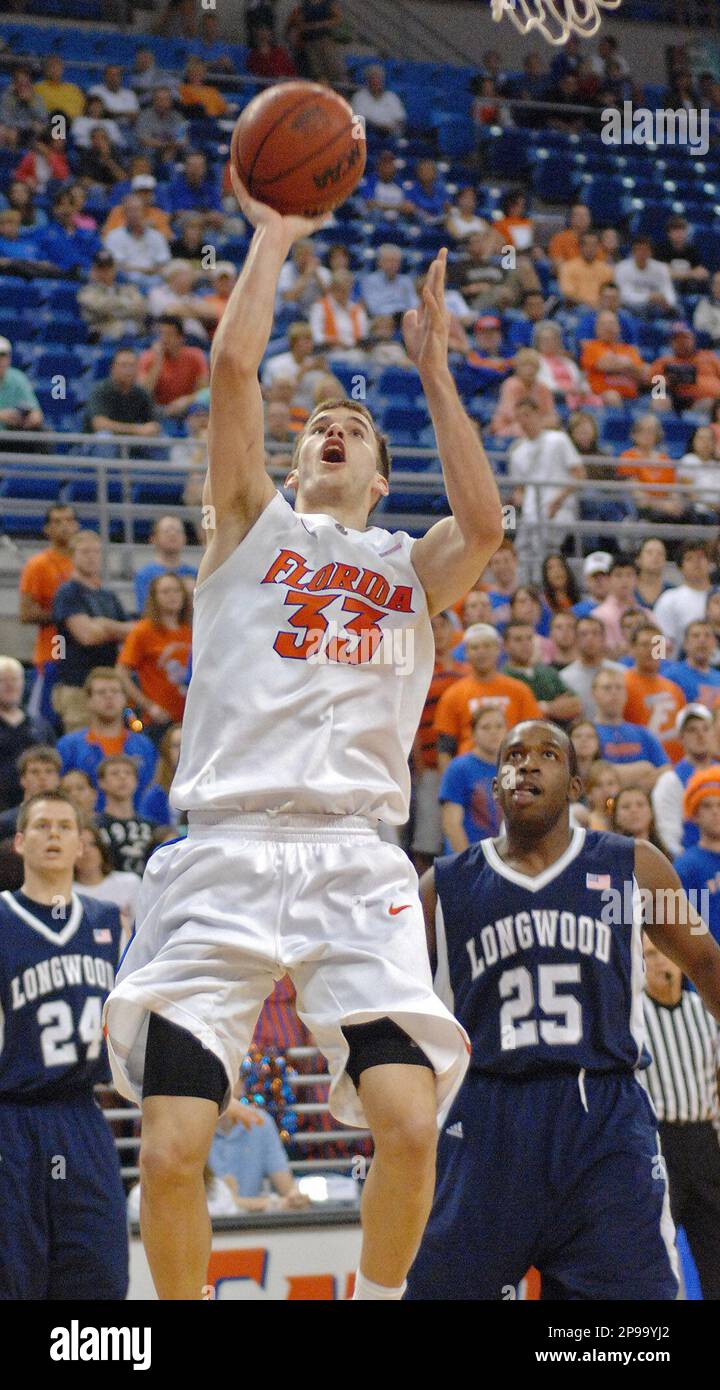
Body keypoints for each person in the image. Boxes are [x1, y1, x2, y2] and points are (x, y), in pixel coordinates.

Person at [103, 163, 505, 1304]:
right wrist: (274, 233)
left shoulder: (407, 569)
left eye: (353, 430)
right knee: (173, 1149)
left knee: (411, 1126)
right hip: (224, 852)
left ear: (380, 478)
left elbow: (483, 521)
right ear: (295, 461)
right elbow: (236, 366)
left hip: (353, 860)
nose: (332, 429)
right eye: (318, 424)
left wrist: (431, 372)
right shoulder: (248, 529)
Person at [406, 718, 720, 1301]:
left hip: (602, 1117)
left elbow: (705, 962)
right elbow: (393, 1007)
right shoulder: (441, 886)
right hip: (483, 1119)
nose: (526, 764)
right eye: (513, 756)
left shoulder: (634, 865)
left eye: (547, 754)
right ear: (495, 786)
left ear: (575, 786)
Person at [0, 789, 128, 1299]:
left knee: (99, 1273)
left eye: (64, 827)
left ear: (82, 846)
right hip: (11, 1119)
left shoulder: (105, 922)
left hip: (81, 1114)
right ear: (18, 842)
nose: (52, 834)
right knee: (15, 1277)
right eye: (41, 826)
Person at [643, 939, 720, 1302]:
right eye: (649, 955)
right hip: (660, 1145)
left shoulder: (703, 1011)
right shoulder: (634, 1017)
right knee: (660, 1263)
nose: (661, 963)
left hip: (705, 1142)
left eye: (665, 954)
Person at [51, 534, 133, 730]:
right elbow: (87, 636)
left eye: (96, 551)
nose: (92, 556)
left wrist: (103, 624)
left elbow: (134, 631)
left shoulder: (108, 595)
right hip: (78, 687)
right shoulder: (67, 593)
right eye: (85, 552)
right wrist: (114, 630)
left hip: (109, 685)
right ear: (72, 556)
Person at [434, 623, 541, 771]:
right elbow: (445, 747)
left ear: (498, 649)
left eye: (487, 646)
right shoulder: (453, 694)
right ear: (466, 653)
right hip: (468, 773)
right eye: (475, 647)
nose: (481, 652)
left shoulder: (519, 690)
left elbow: (533, 736)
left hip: (512, 770)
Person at [56, 667, 158, 803]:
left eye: (115, 692)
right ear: (88, 700)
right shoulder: (69, 746)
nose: (109, 697)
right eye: (101, 692)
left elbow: (152, 789)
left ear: (125, 699)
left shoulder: (144, 746)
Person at [507, 398, 585, 568]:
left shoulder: (558, 439)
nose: (523, 420)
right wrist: (518, 501)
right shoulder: (517, 451)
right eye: (519, 416)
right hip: (531, 513)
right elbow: (519, 490)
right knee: (521, 548)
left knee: (542, 544)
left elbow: (579, 474)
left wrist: (558, 500)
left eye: (527, 415)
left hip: (559, 509)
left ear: (538, 415)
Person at [118, 573, 192, 734]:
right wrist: (148, 706)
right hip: (157, 720)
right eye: (166, 592)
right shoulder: (142, 631)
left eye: (177, 591)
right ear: (154, 597)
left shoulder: (191, 630)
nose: (172, 596)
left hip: (189, 718)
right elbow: (122, 672)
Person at [210, 1097, 308, 1207]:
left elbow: (286, 1186)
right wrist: (275, 1203)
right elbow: (219, 1204)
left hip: (251, 1221)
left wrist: (294, 1197)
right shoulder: (193, 1124)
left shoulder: (260, 1121)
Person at [652, 705, 717, 859]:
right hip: (694, 863)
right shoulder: (670, 782)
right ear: (681, 738)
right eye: (692, 730)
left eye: (705, 728)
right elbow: (669, 837)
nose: (700, 735)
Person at [438, 703, 504, 852]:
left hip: (504, 859)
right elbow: (451, 824)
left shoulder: (512, 768)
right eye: (486, 727)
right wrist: (468, 864)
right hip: (469, 856)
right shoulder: (459, 768)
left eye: (499, 726)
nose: (494, 732)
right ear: (473, 734)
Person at [592, 666, 669, 790]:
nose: (614, 692)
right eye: (607, 688)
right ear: (594, 694)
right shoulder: (587, 733)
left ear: (626, 694)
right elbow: (591, 775)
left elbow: (666, 770)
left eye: (619, 688)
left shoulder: (642, 733)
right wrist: (644, 768)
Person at [623, 622, 686, 763]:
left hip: (675, 765)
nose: (651, 650)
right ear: (632, 649)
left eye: (656, 644)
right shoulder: (622, 685)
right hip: (643, 766)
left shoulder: (674, 689)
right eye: (645, 645)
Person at [0, 657, 55, 812]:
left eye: (14, 679)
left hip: (36, 805)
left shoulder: (41, 726)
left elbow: (53, 763)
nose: (9, 685)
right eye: (3, 680)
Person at [502, 620, 582, 725]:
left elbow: (575, 705)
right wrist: (554, 706)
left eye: (529, 638)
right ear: (506, 645)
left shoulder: (548, 672)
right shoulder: (503, 677)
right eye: (518, 640)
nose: (525, 644)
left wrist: (546, 707)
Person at [675, 768, 720, 947]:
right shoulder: (685, 867)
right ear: (695, 814)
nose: (715, 812)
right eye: (707, 806)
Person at [74, 821, 140, 942]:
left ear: (101, 848)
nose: (87, 851)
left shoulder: (130, 882)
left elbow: (143, 927)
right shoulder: (65, 892)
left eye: (92, 844)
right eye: (80, 846)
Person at [96, 755, 160, 877]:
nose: (122, 777)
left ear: (136, 781)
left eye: (128, 773)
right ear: (102, 782)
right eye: (115, 773)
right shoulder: (94, 828)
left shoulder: (153, 828)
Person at [137, 316, 209, 418]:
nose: (164, 339)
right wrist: (157, 362)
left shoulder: (196, 356)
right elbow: (143, 393)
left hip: (187, 408)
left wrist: (185, 401)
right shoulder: (147, 357)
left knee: (202, 407)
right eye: (161, 334)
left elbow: (204, 391)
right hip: (157, 410)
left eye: (169, 335)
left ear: (181, 338)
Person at [654, 540, 714, 660]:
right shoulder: (670, 599)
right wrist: (659, 667)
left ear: (710, 564)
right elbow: (659, 638)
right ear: (680, 568)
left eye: (701, 557)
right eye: (689, 558)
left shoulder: (717, 596)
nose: (696, 562)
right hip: (681, 668)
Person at [84, 349, 159, 438]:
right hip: (101, 442)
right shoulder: (100, 391)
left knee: (159, 439)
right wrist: (137, 429)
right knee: (104, 437)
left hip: (133, 441)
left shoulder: (141, 393)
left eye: (132, 365)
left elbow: (153, 424)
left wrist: (152, 428)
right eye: (124, 365)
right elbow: (99, 424)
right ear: (113, 368)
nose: (128, 370)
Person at [560, 615, 624, 719]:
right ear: (575, 639)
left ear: (603, 638)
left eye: (595, 633)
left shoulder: (621, 672)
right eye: (584, 634)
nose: (590, 638)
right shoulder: (564, 678)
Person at [77, 248, 147, 342]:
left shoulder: (128, 289)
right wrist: (125, 304)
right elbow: (101, 307)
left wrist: (113, 310)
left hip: (136, 335)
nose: (105, 272)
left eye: (108, 268)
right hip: (105, 337)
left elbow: (141, 307)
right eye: (101, 268)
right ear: (94, 270)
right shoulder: (86, 292)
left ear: (114, 269)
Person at [134, 514, 197, 614]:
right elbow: (146, 611)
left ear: (185, 538)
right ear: (153, 539)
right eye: (167, 531)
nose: (173, 534)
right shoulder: (145, 575)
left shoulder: (194, 573)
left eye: (178, 531)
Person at [488, 348, 556, 438]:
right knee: (520, 429)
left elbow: (551, 415)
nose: (529, 369)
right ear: (517, 368)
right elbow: (510, 414)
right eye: (525, 365)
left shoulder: (544, 388)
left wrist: (540, 424)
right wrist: (532, 423)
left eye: (533, 366)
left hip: (539, 426)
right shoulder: (511, 385)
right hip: (510, 426)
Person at [0, 745, 61, 843]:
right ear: (23, 779)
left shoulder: (68, 819)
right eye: (35, 772)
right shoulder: (5, 822)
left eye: (49, 771)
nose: (42, 777)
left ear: (58, 779)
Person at [103, 193, 171, 283]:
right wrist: (147, 270)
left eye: (137, 210)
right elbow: (117, 266)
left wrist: (148, 270)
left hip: (155, 280)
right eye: (130, 210)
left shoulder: (157, 236)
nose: (133, 214)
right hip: (126, 281)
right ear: (124, 213)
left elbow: (163, 263)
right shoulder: (114, 236)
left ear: (144, 212)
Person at [615, 237, 677, 318]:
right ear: (633, 252)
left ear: (650, 252)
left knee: (677, 308)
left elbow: (668, 290)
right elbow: (624, 296)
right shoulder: (622, 268)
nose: (642, 253)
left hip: (658, 307)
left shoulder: (661, 268)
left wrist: (668, 302)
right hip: (632, 307)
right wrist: (648, 297)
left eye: (645, 250)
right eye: (639, 250)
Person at [558, 231, 614, 308]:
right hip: (577, 308)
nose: (590, 248)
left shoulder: (606, 269)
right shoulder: (568, 267)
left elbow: (612, 293)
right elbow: (568, 296)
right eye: (587, 245)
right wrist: (590, 304)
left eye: (594, 245)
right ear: (580, 247)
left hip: (602, 308)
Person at [360, 245, 418, 320]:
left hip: (403, 319)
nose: (392, 264)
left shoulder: (406, 281)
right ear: (379, 262)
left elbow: (414, 304)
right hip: (381, 320)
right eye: (389, 261)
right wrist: (395, 312)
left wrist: (405, 313)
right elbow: (373, 308)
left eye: (396, 261)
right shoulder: (370, 281)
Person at [610, 783, 670, 855]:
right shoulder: (609, 856)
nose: (634, 810)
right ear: (616, 816)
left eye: (640, 805)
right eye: (626, 806)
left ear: (651, 812)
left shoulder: (664, 856)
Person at [0, 335, 43, 433]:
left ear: (9, 358)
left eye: (3, 356)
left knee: (43, 433)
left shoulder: (18, 378)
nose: (0, 361)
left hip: (12, 436)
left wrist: (30, 418)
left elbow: (37, 414)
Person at [352, 65, 406, 138]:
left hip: (391, 136)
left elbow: (400, 119)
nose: (376, 82)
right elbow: (359, 121)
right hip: (368, 137)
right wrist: (380, 127)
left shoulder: (392, 97)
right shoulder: (359, 97)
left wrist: (393, 128)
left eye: (379, 79)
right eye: (373, 79)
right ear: (367, 81)